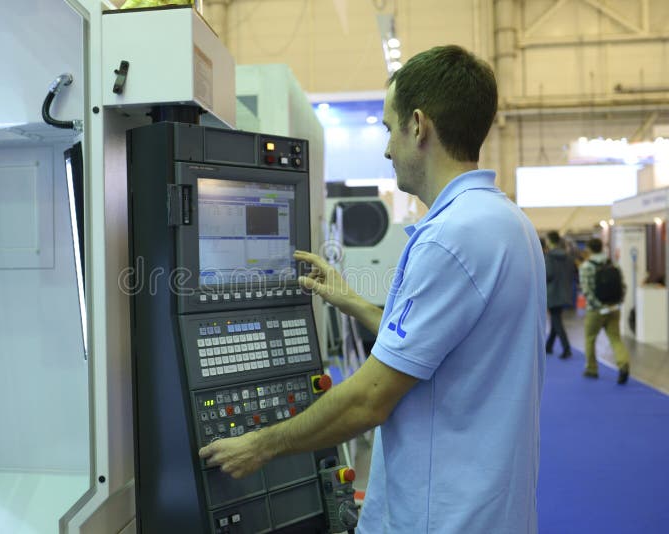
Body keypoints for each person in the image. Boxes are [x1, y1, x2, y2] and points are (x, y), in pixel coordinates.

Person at [199, 45, 546, 533]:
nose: (386, 149)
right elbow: (444, 349)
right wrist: (355, 302)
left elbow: (370, 399)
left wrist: (262, 444)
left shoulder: (451, 238)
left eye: (389, 128)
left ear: (419, 126)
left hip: (441, 519)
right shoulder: (507, 222)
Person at [579, 238, 631, 384]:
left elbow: (587, 290)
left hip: (595, 310)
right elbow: (622, 286)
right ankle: (623, 364)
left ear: (588, 249)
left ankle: (591, 368)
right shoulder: (613, 264)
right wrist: (617, 303)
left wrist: (599, 306)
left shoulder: (586, 266)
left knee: (590, 338)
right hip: (614, 308)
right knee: (615, 338)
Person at [544, 230, 575, 358]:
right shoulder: (567, 256)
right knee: (556, 319)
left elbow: (548, 274)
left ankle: (566, 348)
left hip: (552, 292)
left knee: (556, 321)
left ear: (549, 241)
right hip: (565, 291)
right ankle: (549, 346)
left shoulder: (549, 256)